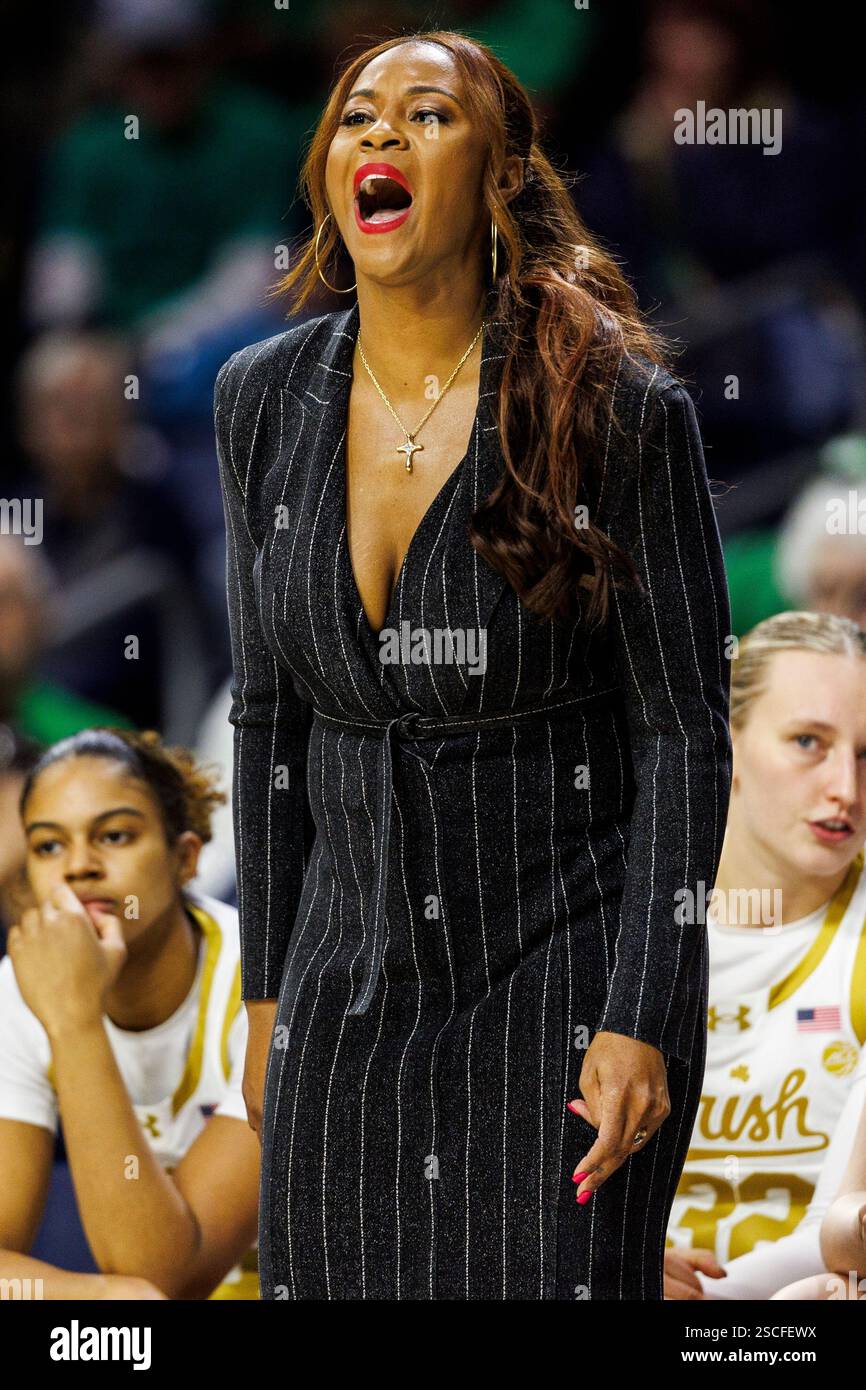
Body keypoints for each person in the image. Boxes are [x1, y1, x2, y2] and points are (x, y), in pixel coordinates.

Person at [216, 30, 732, 1301]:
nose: (379, 135)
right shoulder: (259, 399)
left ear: (499, 174)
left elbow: (681, 729)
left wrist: (642, 1012)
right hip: (342, 985)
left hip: (560, 972)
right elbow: (271, 720)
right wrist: (272, 993)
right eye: (356, 118)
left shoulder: (614, 403)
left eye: (426, 115)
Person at [0, 727, 260, 1299]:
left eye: (114, 836)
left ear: (185, 857)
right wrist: (91, 1296)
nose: (79, 867)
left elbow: (170, 1278)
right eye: (48, 845)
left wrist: (74, 1022)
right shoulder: (21, 989)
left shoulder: (266, 985)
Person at [664, 611, 866, 1299]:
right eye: (809, 741)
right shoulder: (618, 914)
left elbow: (847, 1228)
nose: (846, 788)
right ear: (727, 738)